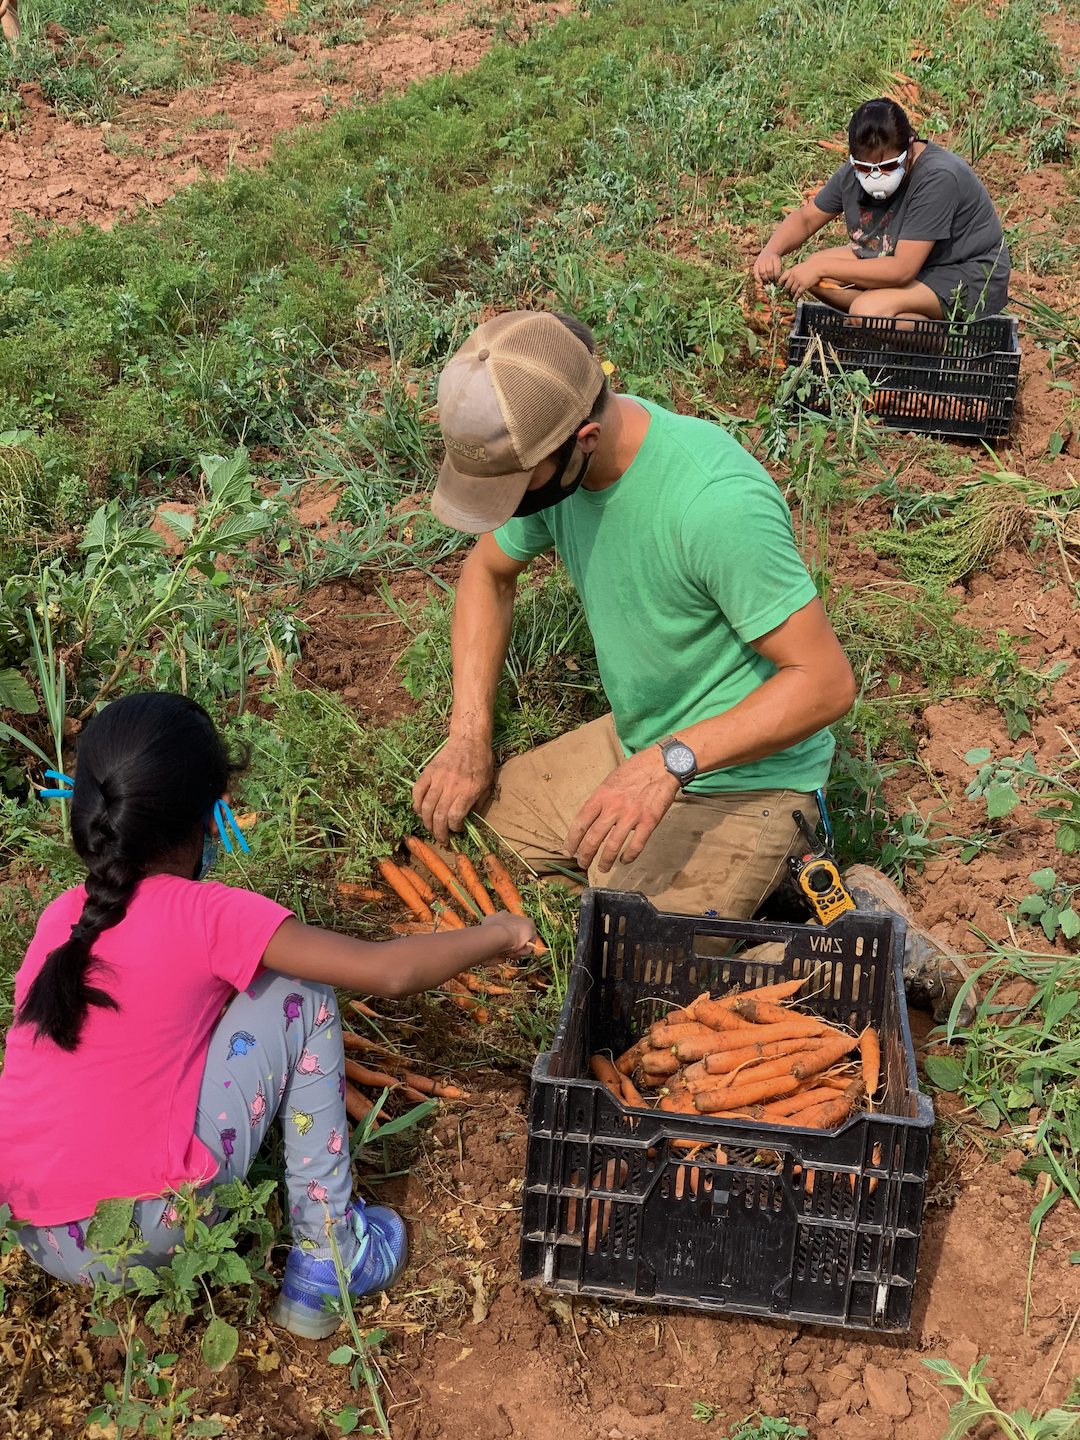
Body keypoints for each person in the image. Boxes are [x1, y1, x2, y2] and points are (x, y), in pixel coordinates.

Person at [0, 692, 534, 1339]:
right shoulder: (210, 913)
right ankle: (329, 1254)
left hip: (38, 1234)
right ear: (205, 817)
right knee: (299, 993)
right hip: (154, 1229)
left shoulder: (62, 919)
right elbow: (391, 972)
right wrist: (498, 932)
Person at [413, 309, 858, 919]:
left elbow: (827, 684)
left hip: (748, 778)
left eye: (516, 488)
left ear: (582, 442)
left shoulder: (712, 503)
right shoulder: (557, 459)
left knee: (633, 978)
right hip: (636, 740)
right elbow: (486, 573)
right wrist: (468, 735)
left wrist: (670, 762)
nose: (511, 505)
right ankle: (622, 893)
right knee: (474, 858)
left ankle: (808, 893)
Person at [754, 98, 1010, 321]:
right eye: (865, 168)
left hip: (964, 271)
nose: (875, 175)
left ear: (909, 148)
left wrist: (821, 270)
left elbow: (902, 270)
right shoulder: (856, 171)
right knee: (813, 268)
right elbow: (807, 219)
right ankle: (900, 322)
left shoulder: (938, 177)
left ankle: (947, 343)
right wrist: (771, 251)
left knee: (866, 310)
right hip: (911, 256)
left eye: (887, 166)